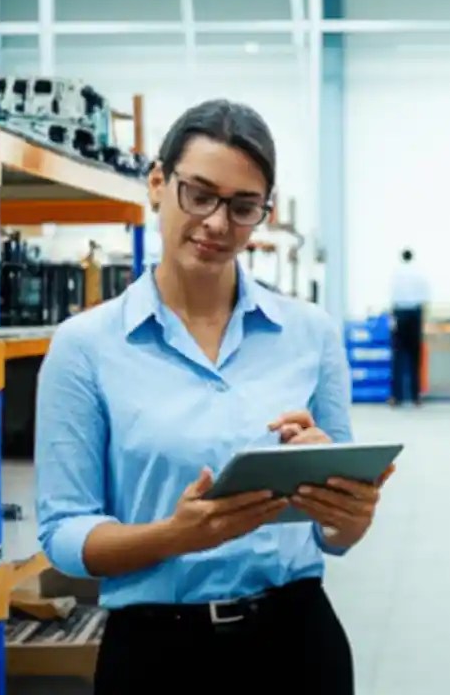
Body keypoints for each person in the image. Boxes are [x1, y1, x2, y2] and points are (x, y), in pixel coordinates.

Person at [35, 99, 394, 695]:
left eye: (243, 207)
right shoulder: (85, 347)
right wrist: (175, 536)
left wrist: (349, 514)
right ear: (156, 184)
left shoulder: (310, 335)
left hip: (297, 646)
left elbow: (335, 535)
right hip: (156, 656)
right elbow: (66, 536)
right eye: (198, 194)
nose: (218, 223)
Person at [390, 248, 430, 406]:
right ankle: (416, 396)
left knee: (398, 357)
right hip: (415, 314)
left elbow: (392, 296)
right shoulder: (420, 274)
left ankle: (397, 397)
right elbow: (425, 297)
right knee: (415, 357)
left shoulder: (396, 274)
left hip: (400, 314)